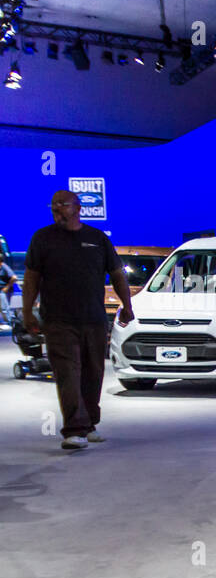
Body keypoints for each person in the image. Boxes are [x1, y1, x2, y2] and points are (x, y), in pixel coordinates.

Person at [22, 190, 135, 450]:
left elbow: (117, 274)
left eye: (62, 205)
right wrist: (28, 312)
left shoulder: (96, 239)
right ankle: (74, 429)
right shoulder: (43, 239)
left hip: (93, 319)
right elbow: (31, 279)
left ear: (78, 207)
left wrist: (127, 305)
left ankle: (89, 423)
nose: (56, 210)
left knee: (93, 372)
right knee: (68, 372)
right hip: (58, 321)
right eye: (53, 206)